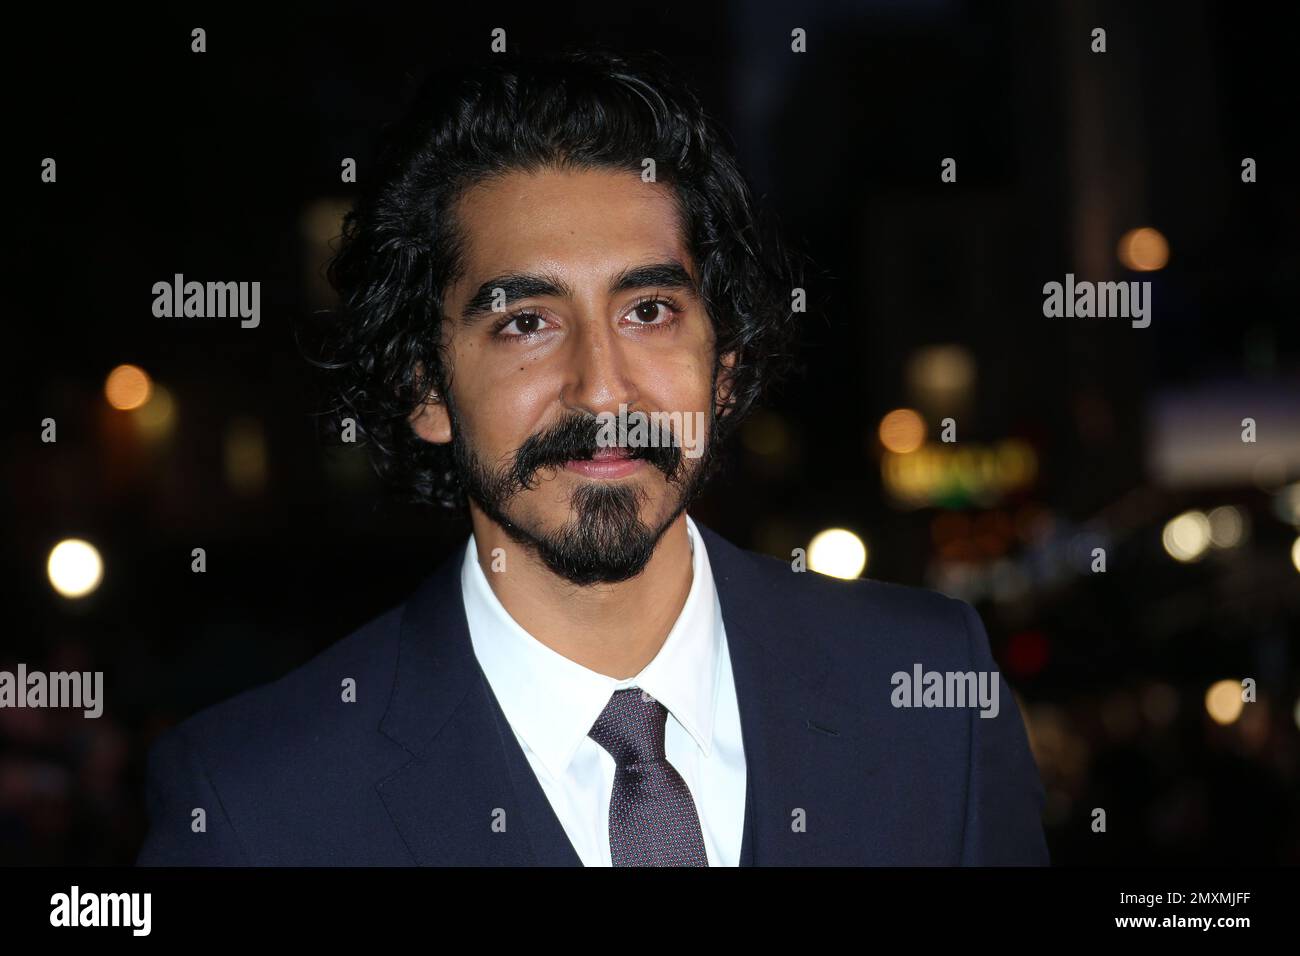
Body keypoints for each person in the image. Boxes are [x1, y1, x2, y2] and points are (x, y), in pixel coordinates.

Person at [137, 49, 1048, 866]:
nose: (602, 388)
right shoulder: (253, 805)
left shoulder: (929, 693)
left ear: (723, 368)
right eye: (525, 323)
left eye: (649, 311)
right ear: (425, 389)